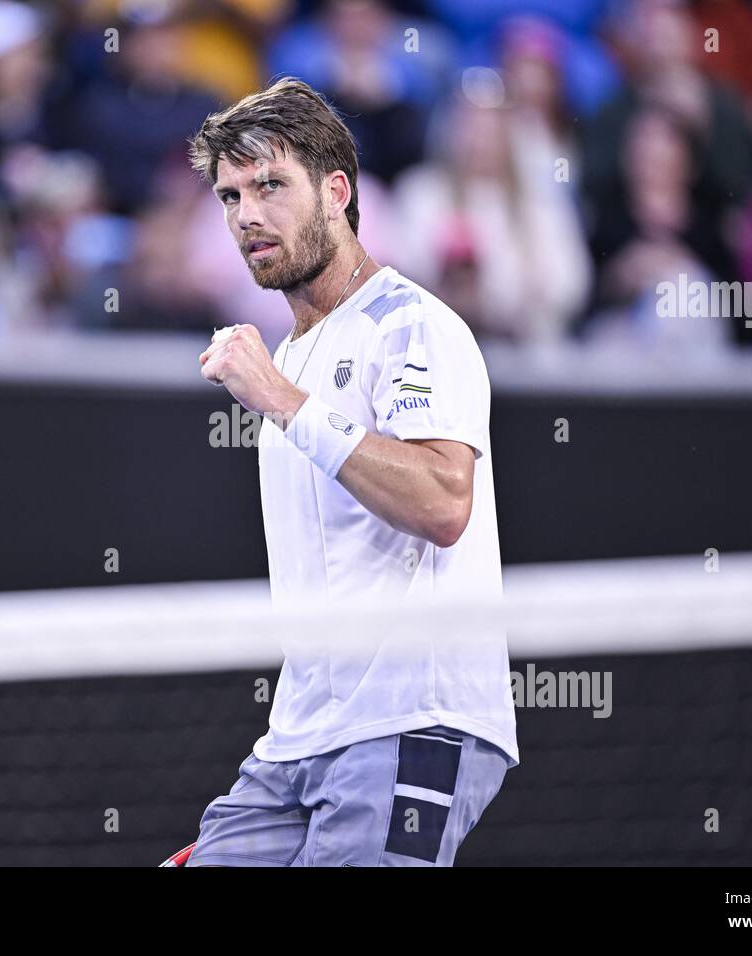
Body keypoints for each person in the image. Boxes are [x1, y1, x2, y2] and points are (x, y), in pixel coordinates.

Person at [184, 78, 517, 867]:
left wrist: (283, 401)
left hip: (414, 722)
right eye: (231, 197)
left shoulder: (415, 327)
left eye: (270, 186)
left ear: (336, 193)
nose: (247, 216)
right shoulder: (293, 354)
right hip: (296, 741)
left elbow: (442, 501)